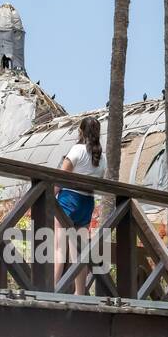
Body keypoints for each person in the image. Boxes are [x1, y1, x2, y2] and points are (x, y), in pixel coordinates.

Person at [54, 115, 105, 294]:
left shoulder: (77, 150)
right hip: (86, 204)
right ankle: (80, 292)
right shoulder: (101, 159)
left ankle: (52, 289)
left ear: (81, 131)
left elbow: (61, 178)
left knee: (60, 248)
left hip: (68, 200)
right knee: (79, 252)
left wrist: (49, 197)